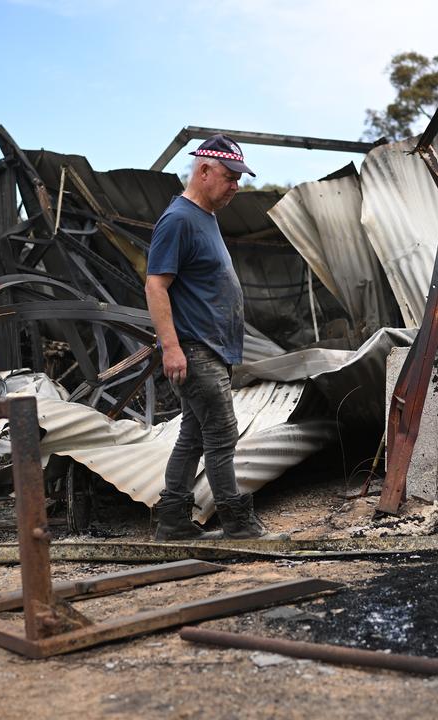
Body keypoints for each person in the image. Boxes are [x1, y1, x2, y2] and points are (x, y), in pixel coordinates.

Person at [144, 134, 278, 541]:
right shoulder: (178, 220)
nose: (236, 186)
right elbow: (155, 285)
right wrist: (171, 347)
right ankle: (238, 525)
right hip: (194, 348)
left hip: (212, 349)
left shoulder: (206, 217)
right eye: (230, 177)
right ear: (204, 170)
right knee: (222, 432)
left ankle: (173, 522)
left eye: (238, 178)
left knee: (194, 436)